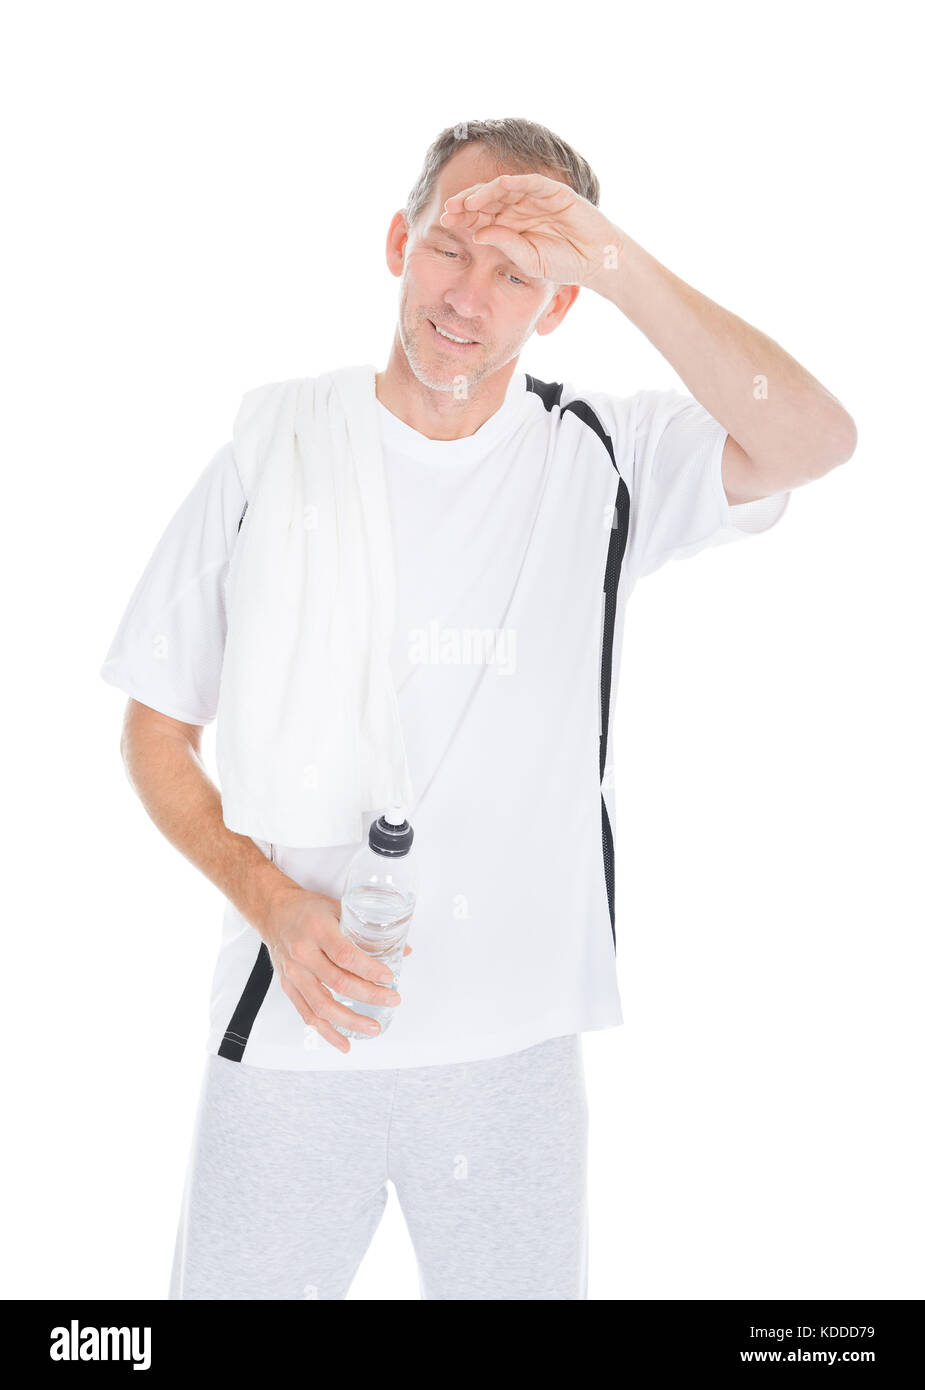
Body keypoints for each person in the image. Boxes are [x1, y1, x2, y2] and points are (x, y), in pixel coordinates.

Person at [100, 117, 856, 1301]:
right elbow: (155, 727)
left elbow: (813, 436)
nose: (471, 295)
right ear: (399, 240)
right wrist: (270, 900)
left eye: (521, 273)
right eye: (453, 247)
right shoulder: (270, 452)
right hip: (299, 1034)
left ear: (557, 307)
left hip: (510, 1052)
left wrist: (611, 259)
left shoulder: (601, 455)